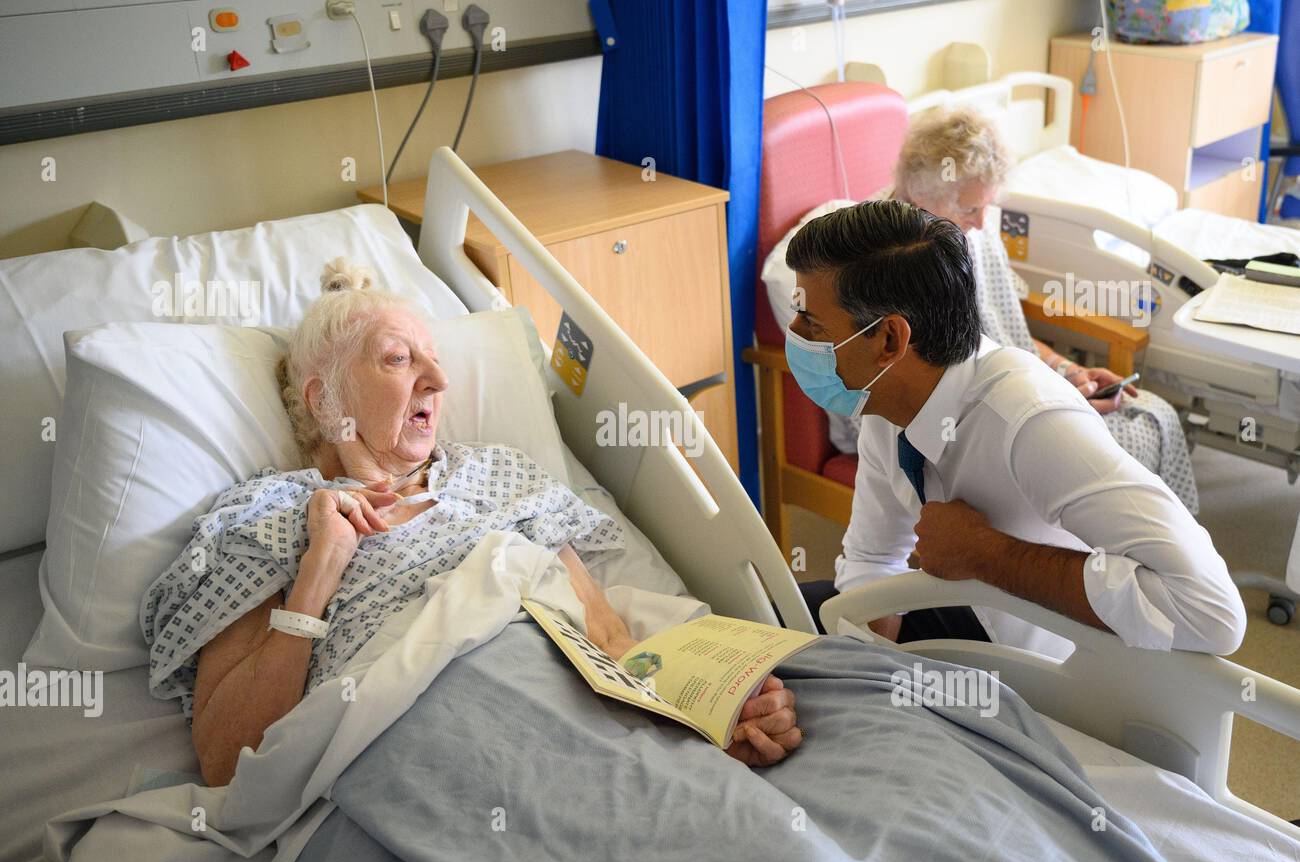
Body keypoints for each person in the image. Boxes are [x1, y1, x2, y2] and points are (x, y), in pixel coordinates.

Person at [143, 259, 800, 785]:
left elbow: (612, 644)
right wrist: (319, 572)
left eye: (434, 358)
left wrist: (717, 713)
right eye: (399, 359)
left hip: (582, 735)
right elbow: (229, 761)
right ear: (326, 398)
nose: (437, 379)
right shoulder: (265, 518)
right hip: (426, 749)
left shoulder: (500, 476)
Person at [784, 200, 1244, 659]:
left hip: (1068, 675)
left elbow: (1213, 613)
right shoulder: (885, 403)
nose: (794, 331)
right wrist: (866, 668)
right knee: (779, 619)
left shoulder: (1033, 423)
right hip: (984, 617)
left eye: (813, 323)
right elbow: (873, 559)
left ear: (889, 340)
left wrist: (987, 554)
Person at [763, 107, 1199, 513]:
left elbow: (1002, 335)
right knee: (1102, 450)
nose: (981, 222)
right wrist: (1054, 399)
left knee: (1151, 413)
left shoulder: (967, 239)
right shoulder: (881, 263)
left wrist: (1068, 372)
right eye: (970, 208)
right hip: (937, 420)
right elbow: (917, 390)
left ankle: (1124, 556)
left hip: (1002, 393)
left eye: (986, 205)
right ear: (920, 193)